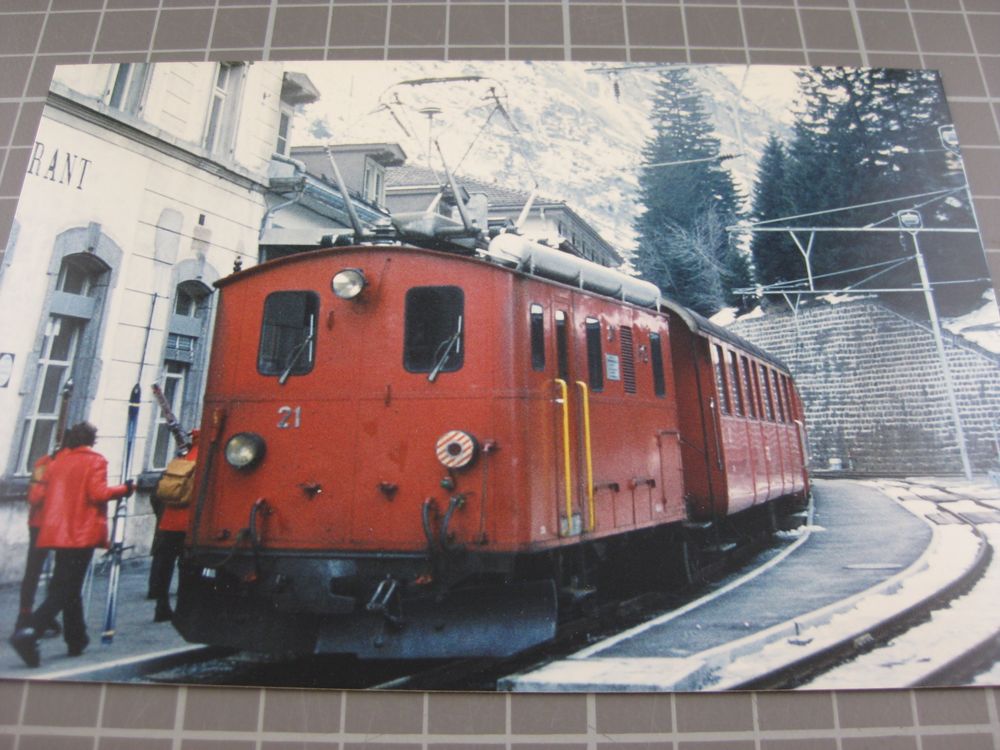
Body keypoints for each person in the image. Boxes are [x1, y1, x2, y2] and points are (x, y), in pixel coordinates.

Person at [9, 422, 133, 668]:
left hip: (58, 532)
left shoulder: (56, 463)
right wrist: (125, 489)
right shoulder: (95, 460)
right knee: (67, 588)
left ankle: (76, 639)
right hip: (81, 532)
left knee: (68, 585)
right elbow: (97, 493)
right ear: (91, 440)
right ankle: (30, 631)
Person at [148, 430, 199, 622]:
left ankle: (161, 604)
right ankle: (184, 608)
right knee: (187, 566)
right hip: (190, 522)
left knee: (164, 563)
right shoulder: (207, 456)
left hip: (169, 520)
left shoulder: (182, 458)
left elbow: (159, 492)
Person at [14, 452, 63, 638]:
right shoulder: (47, 463)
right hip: (45, 523)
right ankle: (29, 615)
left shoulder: (43, 462)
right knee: (37, 571)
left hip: (45, 523)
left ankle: (37, 613)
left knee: (43, 572)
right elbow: (35, 496)